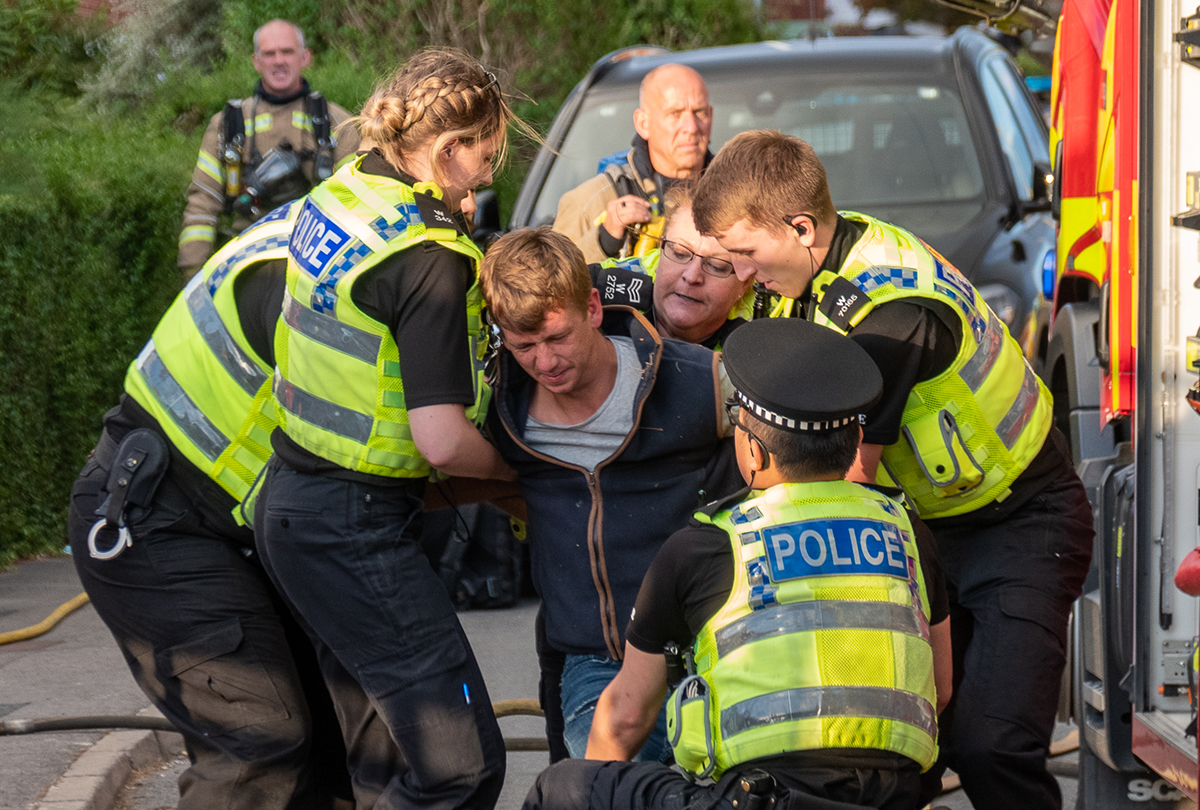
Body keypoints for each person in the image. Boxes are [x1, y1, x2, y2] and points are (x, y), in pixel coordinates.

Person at [691, 130, 1095, 810]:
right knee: (902, 745)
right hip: (929, 530)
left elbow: (839, 479)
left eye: (747, 255)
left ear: (800, 227)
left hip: (1022, 524)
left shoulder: (889, 311)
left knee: (991, 742)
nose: (744, 276)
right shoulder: (809, 265)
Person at [523, 317, 952, 810]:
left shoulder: (706, 545)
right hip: (892, 798)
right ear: (856, 440)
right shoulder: (907, 531)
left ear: (754, 449)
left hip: (762, 801)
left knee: (566, 786)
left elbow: (625, 718)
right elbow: (938, 688)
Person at [255, 49, 529, 809]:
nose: (484, 174)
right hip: (354, 527)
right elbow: (441, 440)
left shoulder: (344, 193)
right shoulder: (428, 258)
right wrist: (520, 477)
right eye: (481, 155)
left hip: (291, 502)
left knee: (381, 764)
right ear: (444, 150)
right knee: (460, 768)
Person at [68, 199, 355, 810]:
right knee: (257, 738)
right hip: (147, 524)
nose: (468, 204)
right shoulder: (323, 276)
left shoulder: (325, 238)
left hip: (219, 526)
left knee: (331, 732)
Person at [480, 227, 744, 763]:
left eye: (557, 338)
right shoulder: (501, 409)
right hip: (597, 660)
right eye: (523, 345)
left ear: (594, 309)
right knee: (607, 782)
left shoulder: (697, 381)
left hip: (713, 647)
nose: (544, 362)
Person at [178, 19, 360, 278]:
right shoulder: (228, 125)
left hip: (320, 265)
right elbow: (202, 203)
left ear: (305, 57)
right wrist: (193, 273)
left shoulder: (336, 122)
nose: (278, 61)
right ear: (256, 61)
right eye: (269, 53)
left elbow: (358, 200)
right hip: (248, 263)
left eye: (287, 51)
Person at [553, 63, 712, 263]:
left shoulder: (740, 197)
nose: (691, 127)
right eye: (675, 114)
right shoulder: (588, 203)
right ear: (642, 124)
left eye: (700, 112)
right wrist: (605, 240)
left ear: (711, 116)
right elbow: (553, 288)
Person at [590, 185, 752, 350]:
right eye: (680, 253)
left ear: (746, 283)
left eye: (716, 266)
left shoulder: (768, 340)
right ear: (660, 248)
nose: (691, 276)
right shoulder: (597, 284)